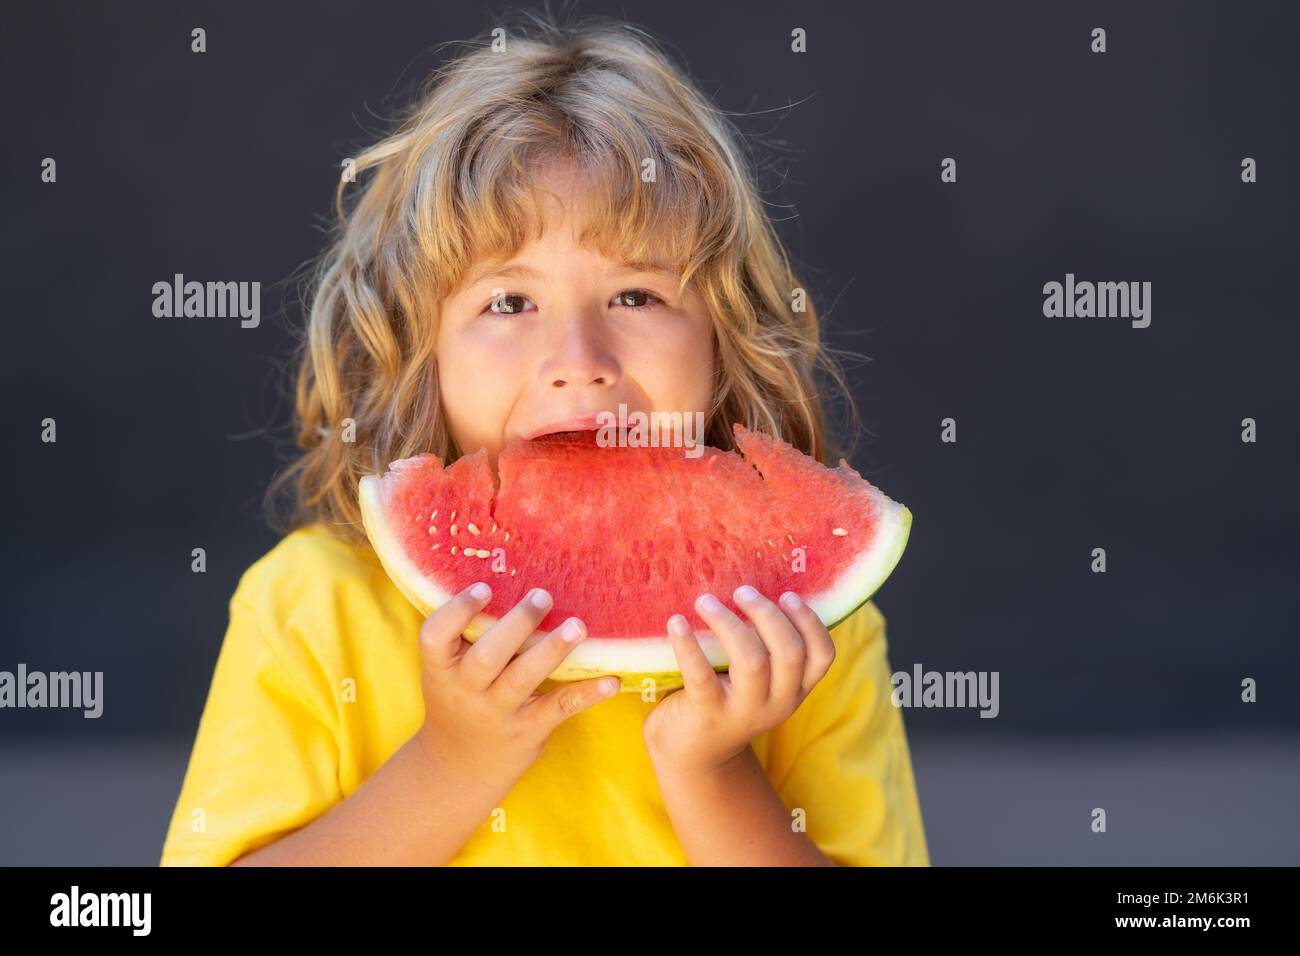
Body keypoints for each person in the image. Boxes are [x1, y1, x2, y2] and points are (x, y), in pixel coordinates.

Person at [160, 11, 929, 867]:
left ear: (725, 337)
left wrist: (713, 772)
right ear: (424, 352)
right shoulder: (310, 606)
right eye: (509, 303)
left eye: (636, 296)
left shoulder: (800, 629)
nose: (579, 363)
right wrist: (451, 764)